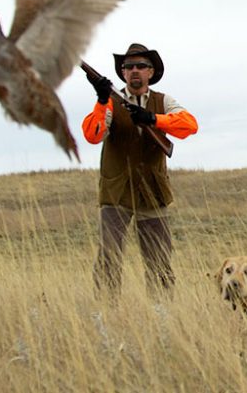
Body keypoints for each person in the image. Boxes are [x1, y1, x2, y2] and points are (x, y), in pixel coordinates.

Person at [83, 43, 198, 296]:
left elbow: (190, 125)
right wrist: (102, 101)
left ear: (151, 72)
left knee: (159, 259)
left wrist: (154, 119)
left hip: (152, 192)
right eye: (129, 66)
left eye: (141, 66)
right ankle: (106, 311)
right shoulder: (111, 101)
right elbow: (93, 134)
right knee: (109, 257)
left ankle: (162, 313)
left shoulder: (163, 101)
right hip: (116, 191)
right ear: (123, 73)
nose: (135, 70)